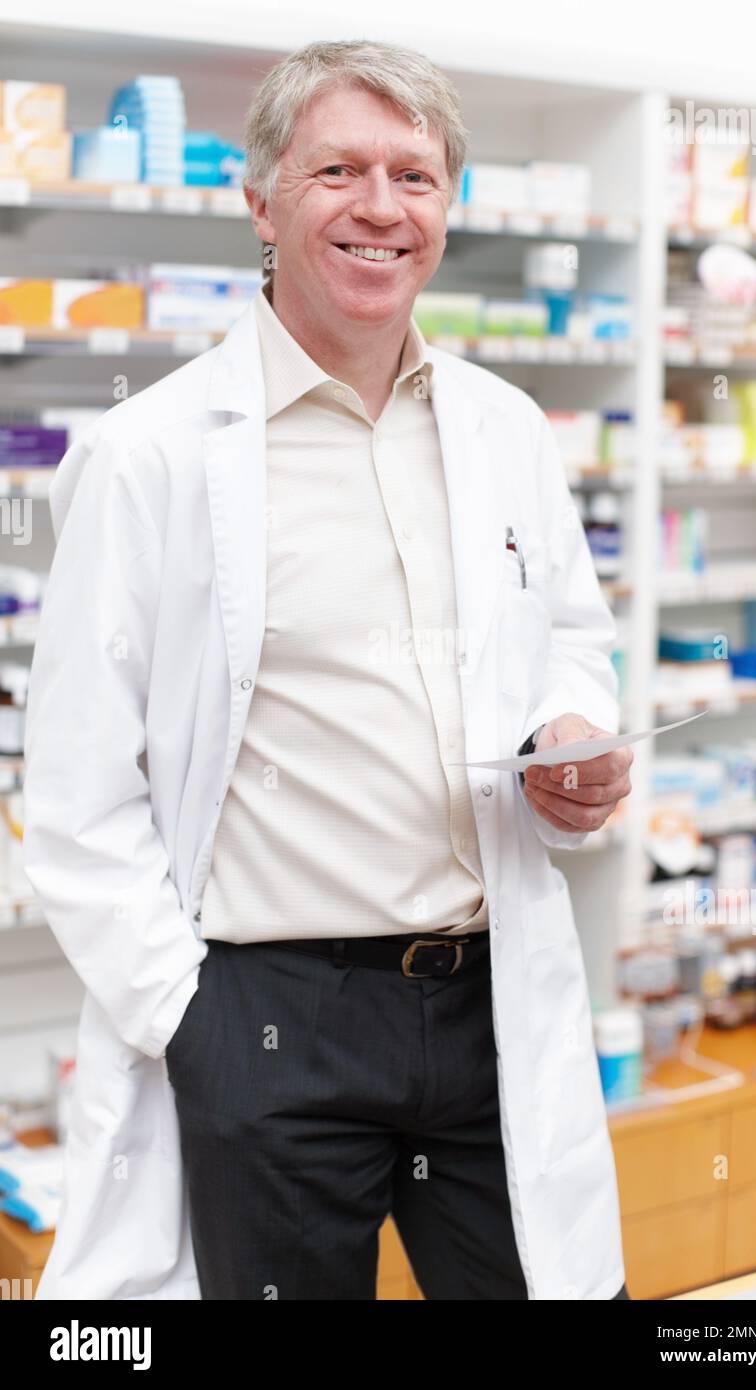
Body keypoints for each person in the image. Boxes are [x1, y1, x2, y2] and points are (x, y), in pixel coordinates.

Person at [23, 38, 633, 1301]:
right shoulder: (151, 453)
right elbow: (78, 787)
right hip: (266, 1017)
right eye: (336, 170)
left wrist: (572, 724)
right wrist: (190, 1026)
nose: (379, 206)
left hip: (486, 995)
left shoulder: (503, 427)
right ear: (260, 200)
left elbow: (571, 631)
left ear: (447, 207)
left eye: (413, 175)